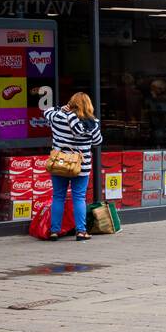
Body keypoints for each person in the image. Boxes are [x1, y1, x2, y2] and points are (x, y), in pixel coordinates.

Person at [44, 92, 104, 241]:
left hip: (59, 163)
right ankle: (81, 231)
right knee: (79, 197)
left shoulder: (58, 117)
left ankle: (54, 231)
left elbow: (47, 112)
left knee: (58, 197)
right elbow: (97, 142)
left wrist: (61, 109)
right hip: (81, 166)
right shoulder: (92, 122)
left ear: (71, 103)